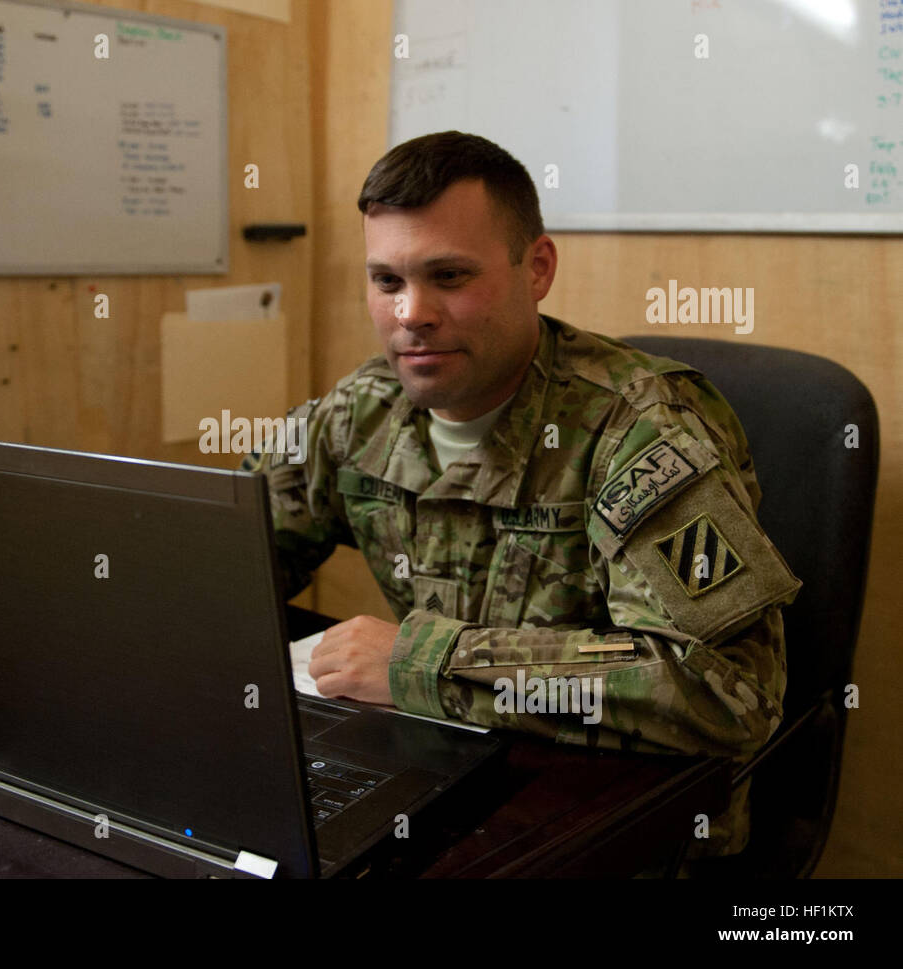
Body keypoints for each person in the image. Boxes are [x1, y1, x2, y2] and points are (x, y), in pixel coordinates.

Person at [240, 131, 801, 859]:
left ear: (536, 267)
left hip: (620, 827)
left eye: (448, 276)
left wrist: (427, 662)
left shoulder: (640, 430)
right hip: (443, 780)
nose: (411, 313)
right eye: (387, 281)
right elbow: (225, 561)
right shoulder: (362, 410)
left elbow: (726, 693)